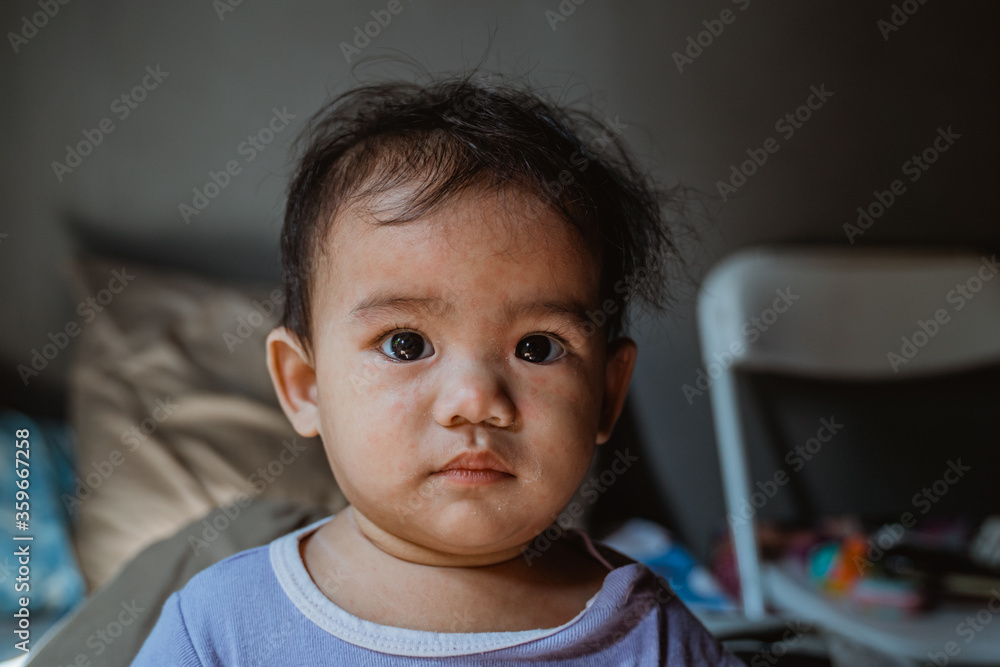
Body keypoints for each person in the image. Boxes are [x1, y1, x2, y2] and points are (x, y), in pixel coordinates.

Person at [131, 69, 744, 665]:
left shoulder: (651, 634)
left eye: (537, 348)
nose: (475, 401)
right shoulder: (220, 627)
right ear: (305, 385)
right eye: (405, 344)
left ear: (607, 395)